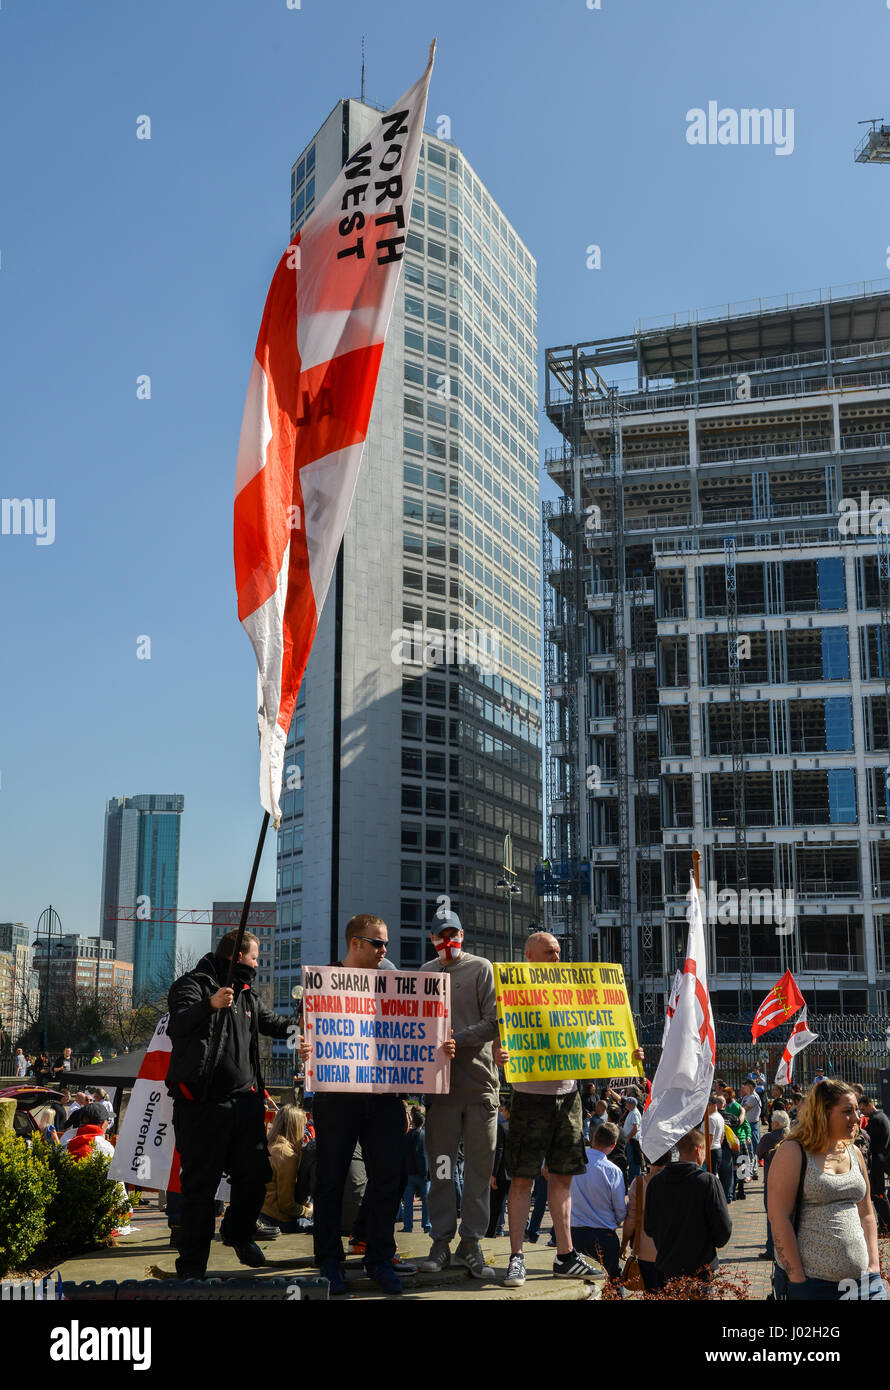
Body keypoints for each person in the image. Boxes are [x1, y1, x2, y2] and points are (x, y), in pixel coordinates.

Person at [166, 927, 295, 1280]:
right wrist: (210, 1004)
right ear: (238, 956)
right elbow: (176, 1024)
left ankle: (238, 1233)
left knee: (254, 1176)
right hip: (202, 1106)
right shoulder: (193, 984)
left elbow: (276, 1025)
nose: (257, 964)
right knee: (200, 1188)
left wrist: (307, 1023)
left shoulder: (248, 996)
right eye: (254, 957)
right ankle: (191, 1267)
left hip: (245, 1106)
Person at [298, 915, 407, 1296]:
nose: (384, 951)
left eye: (386, 944)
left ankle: (379, 1257)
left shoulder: (392, 984)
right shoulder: (324, 979)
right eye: (378, 943)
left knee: (389, 1178)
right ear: (355, 943)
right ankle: (329, 1260)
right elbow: (307, 1028)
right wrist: (304, 1046)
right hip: (337, 1096)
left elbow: (411, 1037)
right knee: (330, 1178)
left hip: (385, 1097)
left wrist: (441, 1051)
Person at [501, 932, 597, 1287]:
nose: (557, 959)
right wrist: (500, 1051)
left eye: (558, 953)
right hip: (529, 1094)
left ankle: (566, 1255)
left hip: (568, 1093)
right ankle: (517, 1258)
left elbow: (594, 1034)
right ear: (529, 956)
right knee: (522, 1178)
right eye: (549, 953)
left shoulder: (574, 990)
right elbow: (502, 1031)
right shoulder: (512, 989)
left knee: (563, 1177)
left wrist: (624, 1055)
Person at [418, 908, 499, 1280]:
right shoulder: (424, 974)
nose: (448, 941)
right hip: (440, 1092)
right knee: (441, 1169)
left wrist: (455, 1039)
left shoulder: (481, 968)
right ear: (432, 938)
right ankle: (441, 1240)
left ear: (463, 934)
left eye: (453, 934)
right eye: (440, 935)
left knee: (480, 1171)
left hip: (480, 1087)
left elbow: (494, 1022)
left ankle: (471, 1243)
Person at [768, 1079, 884, 1301]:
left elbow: (867, 1212)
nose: (857, 1118)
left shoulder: (854, 1153)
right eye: (847, 1111)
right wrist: (797, 1279)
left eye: (857, 1110)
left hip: (864, 1284)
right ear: (823, 1113)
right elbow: (778, 1217)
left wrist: (874, 1266)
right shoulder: (794, 1152)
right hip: (813, 1286)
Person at [643, 1127, 732, 1292]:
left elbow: (649, 1227)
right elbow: (723, 1231)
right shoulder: (707, 1182)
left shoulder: (655, 1183)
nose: (705, 1156)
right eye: (705, 1150)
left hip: (668, 1268)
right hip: (700, 1269)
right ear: (699, 1149)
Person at [568, 1122, 625, 1284]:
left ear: (594, 1137)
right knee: (611, 1283)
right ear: (613, 1145)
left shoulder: (574, 1162)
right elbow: (620, 1209)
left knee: (579, 1283)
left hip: (575, 1232)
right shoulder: (613, 1171)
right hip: (603, 1235)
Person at [621, 1149, 672, 1293]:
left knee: (650, 1292)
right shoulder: (677, 1183)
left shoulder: (638, 1184)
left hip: (645, 1250)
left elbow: (631, 1219)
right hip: (672, 1250)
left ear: (647, 1159)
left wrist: (624, 1243)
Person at [261, 1103, 309, 1233]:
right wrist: (308, 1211)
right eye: (303, 1126)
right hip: (278, 1220)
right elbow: (286, 1205)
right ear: (296, 1127)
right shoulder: (286, 1154)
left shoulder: (269, 1145)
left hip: (262, 1213)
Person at [756, 1107, 790, 1261]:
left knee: (772, 1217)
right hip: (790, 1181)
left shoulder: (768, 1138)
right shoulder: (792, 1136)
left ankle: (771, 1250)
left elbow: (758, 1154)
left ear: (776, 1123)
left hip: (772, 1181)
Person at [857, 1096, 890, 1236]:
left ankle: (886, 1225)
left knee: (878, 1194)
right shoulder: (882, 1116)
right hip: (883, 1158)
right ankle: (885, 1224)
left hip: (877, 1161)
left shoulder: (875, 1119)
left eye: (863, 1109)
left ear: (870, 1104)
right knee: (879, 1194)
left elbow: (865, 1137)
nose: (862, 1113)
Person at [401, 1106, 431, 1235]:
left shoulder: (407, 1136)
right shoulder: (426, 1136)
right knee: (426, 1201)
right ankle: (427, 1225)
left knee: (408, 1202)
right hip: (424, 1174)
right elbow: (426, 1155)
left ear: (413, 1122)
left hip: (410, 1173)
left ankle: (408, 1226)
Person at [487, 1102, 511, 1238]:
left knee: (495, 1205)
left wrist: (493, 1174)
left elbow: (499, 1152)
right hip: (518, 1174)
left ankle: (490, 1233)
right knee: (518, 1207)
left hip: (503, 1173)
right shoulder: (522, 1129)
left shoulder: (502, 1128)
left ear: (507, 1111)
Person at [622, 1096, 644, 1183]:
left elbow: (635, 1127)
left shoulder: (634, 1113)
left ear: (631, 1104)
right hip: (631, 1140)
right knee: (633, 1162)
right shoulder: (632, 1112)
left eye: (627, 1103)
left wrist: (628, 1138)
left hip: (632, 1141)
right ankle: (635, 1181)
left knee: (634, 1162)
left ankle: (634, 1182)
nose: (626, 1104)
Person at [706, 1095, 724, 1173]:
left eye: (708, 1105)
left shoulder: (711, 1118)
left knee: (711, 1176)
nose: (706, 1107)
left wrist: (705, 1154)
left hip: (711, 1151)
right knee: (715, 1175)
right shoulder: (719, 1116)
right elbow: (722, 1135)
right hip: (717, 1149)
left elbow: (710, 1137)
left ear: (714, 1105)